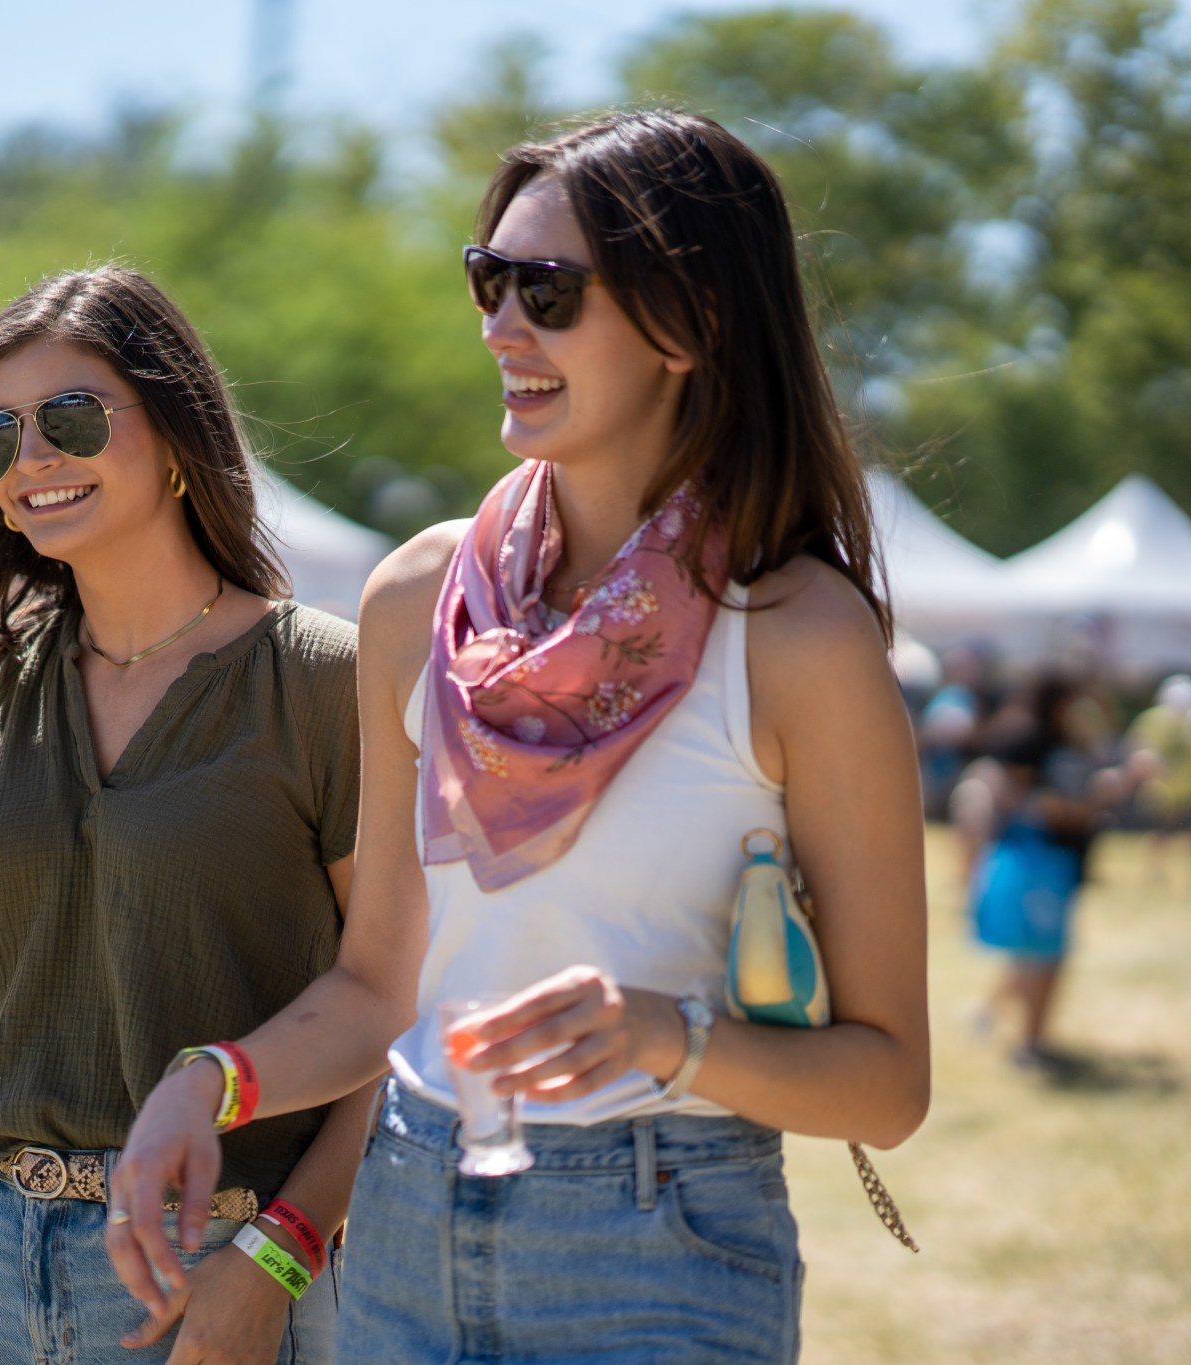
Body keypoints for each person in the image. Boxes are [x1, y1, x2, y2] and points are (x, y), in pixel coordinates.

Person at [111, 110, 931, 1364]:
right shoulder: (413, 599)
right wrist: (206, 1082)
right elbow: (379, 986)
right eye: (486, 281)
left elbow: (886, 1082)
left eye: (547, 290)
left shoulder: (799, 639)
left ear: (691, 324)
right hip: (403, 1221)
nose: (501, 327)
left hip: (659, 1245)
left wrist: (670, 1036)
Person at [0, 267, 371, 1364]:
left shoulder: (321, 679)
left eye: (67, 420)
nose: (29, 463)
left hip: (211, 1263)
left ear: (173, 434)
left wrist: (280, 1257)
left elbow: (394, 1009)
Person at [967, 671, 1126, 1066]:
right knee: (1042, 953)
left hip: (1056, 859)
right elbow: (1020, 799)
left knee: (1036, 951)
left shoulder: (1066, 740)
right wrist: (1092, 802)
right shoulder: (1026, 740)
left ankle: (995, 1019)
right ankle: (1030, 1044)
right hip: (1036, 858)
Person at [1126, 674, 1191, 889]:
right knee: (1160, 831)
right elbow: (1138, 749)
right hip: (1159, 789)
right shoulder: (1152, 721)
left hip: (1184, 788)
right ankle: (1155, 870)